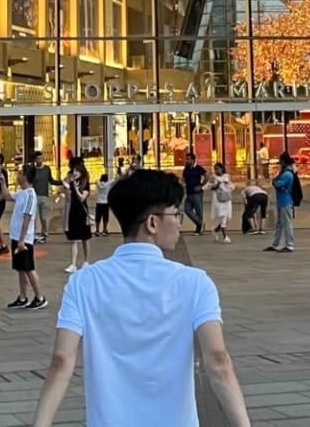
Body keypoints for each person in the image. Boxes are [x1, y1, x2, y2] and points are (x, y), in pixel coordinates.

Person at [30, 170, 251, 427]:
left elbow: (62, 360)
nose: (179, 223)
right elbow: (218, 361)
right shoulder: (195, 283)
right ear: (152, 223)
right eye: (175, 214)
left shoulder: (83, 282)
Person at [7, 168, 45, 311]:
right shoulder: (21, 193)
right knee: (21, 268)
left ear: (26, 177)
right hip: (16, 236)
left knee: (29, 268)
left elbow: (27, 217)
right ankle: (22, 297)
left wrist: (22, 240)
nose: (17, 176)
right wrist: (1, 179)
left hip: (24, 238)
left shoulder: (30, 195)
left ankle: (39, 297)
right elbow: (7, 196)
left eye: (20, 174)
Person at [265, 154, 297, 254]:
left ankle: (290, 245)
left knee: (287, 223)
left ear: (284, 162)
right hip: (281, 201)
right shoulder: (285, 173)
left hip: (285, 201)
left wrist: (275, 181)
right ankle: (275, 244)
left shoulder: (287, 174)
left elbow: (277, 183)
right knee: (279, 223)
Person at [29, 154, 55, 244]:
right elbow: (30, 180)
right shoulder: (33, 170)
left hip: (44, 196)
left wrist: (61, 182)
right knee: (34, 217)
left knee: (43, 217)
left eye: (41, 158)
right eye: (37, 158)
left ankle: (44, 234)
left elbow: (51, 180)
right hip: (35, 196)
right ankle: (34, 234)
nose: (39, 160)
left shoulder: (47, 169)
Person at [181, 152, 207, 235]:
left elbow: (207, 175)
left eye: (188, 159)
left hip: (197, 193)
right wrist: (183, 184)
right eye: (186, 159)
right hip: (189, 193)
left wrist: (201, 185)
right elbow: (183, 178)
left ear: (193, 160)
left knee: (199, 211)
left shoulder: (198, 168)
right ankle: (200, 223)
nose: (187, 160)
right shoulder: (186, 169)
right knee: (187, 210)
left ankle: (198, 229)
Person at [210, 162, 234, 244]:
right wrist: (217, 185)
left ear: (222, 169)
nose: (216, 171)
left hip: (227, 198)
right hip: (219, 199)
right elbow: (211, 187)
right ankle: (225, 237)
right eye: (215, 169)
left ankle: (216, 230)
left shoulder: (227, 176)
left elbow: (231, 186)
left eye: (217, 169)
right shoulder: (213, 177)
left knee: (227, 217)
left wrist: (227, 184)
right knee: (223, 217)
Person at [93, 171, 112, 236]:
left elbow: (96, 180)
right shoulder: (109, 183)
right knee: (105, 217)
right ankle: (104, 230)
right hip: (106, 203)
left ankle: (97, 230)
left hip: (99, 202)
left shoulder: (98, 183)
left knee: (98, 217)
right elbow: (114, 180)